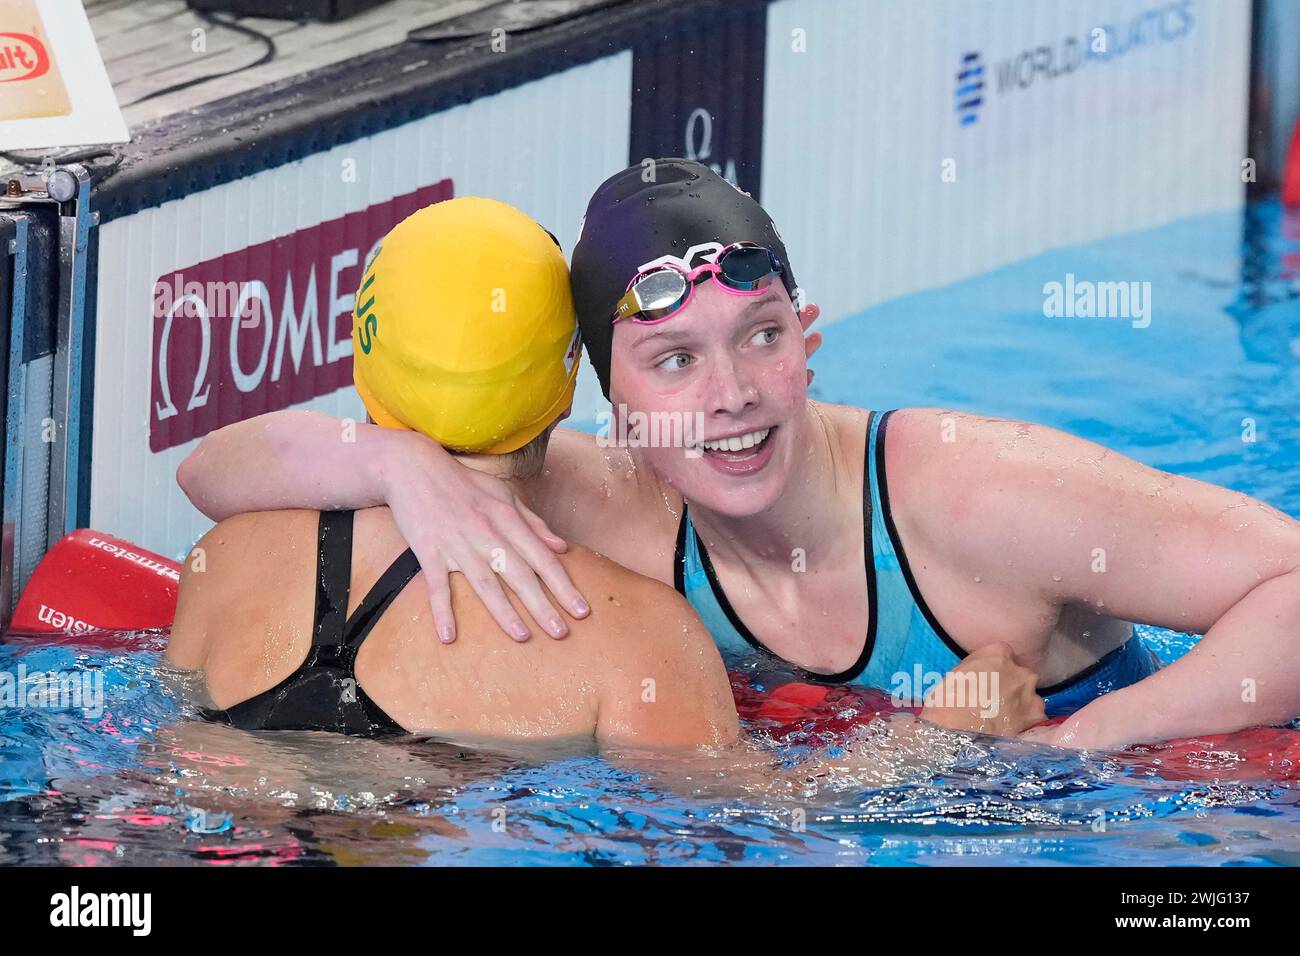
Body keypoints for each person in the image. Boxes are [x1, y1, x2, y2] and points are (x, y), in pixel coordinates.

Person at [179, 162, 1300, 752]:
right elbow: (209, 474)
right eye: (672, 362)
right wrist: (390, 463)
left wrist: (1077, 741)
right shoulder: (589, 499)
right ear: (608, 405)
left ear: (808, 337)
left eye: (760, 336)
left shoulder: (975, 495)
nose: (730, 397)